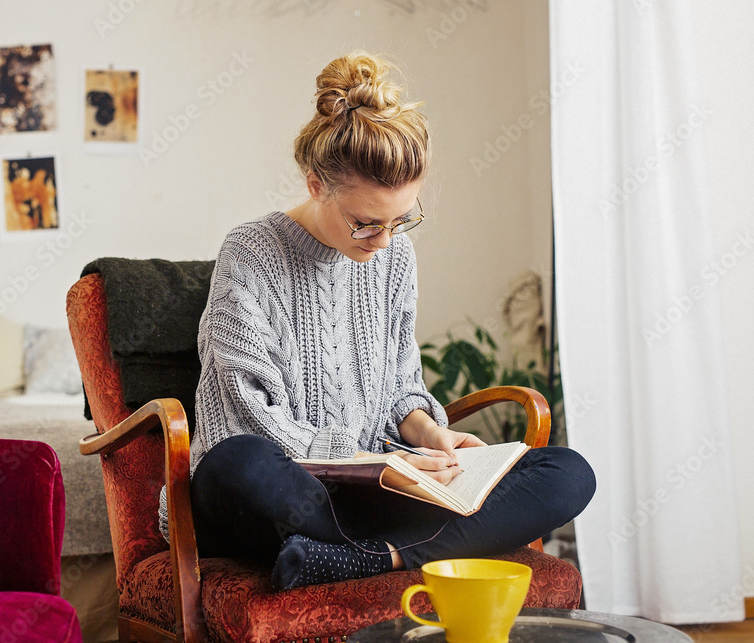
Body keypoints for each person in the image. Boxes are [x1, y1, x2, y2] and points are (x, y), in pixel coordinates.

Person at [159, 51, 595, 591]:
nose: (385, 241)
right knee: (239, 462)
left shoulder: (395, 256)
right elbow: (247, 417)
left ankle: (366, 559)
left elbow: (398, 387)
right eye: (365, 223)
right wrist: (372, 462)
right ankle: (400, 549)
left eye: (401, 220)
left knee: (568, 472)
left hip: (377, 495)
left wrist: (431, 435)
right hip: (284, 492)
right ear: (316, 182)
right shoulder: (251, 251)